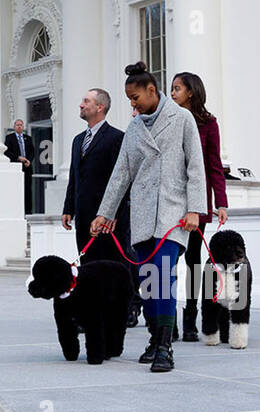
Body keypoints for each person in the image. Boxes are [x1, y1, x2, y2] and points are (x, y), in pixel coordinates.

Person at [90, 62, 206, 373]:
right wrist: (105, 213)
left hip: (173, 212)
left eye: (135, 97)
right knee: (148, 281)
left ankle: (165, 347)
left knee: (164, 276)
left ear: (151, 90)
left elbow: (196, 166)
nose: (132, 103)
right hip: (141, 213)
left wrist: (195, 208)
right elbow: (121, 174)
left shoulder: (182, 119)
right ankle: (155, 338)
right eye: (128, 98)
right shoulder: (134, 128)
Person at [61, 89, 139, 327]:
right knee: (88, 267)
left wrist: (113, 212)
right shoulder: (77, 141)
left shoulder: (117, 138)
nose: (81, 105)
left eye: (86, 101)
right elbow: (75, 177)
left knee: (115, 265)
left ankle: (127, 309)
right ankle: (90, 313)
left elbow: (123, 178)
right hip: (84, 216)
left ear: (100, 107)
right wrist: (68, 208)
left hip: (109, 218)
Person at [170, 72, 228, 342]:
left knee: (193, 261)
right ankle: (166, 320)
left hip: (196, 201)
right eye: (171, 89)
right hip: (169, 199)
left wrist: (221, 203)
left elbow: (214, 165)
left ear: (191, 92)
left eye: (177, 88)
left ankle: (190, 319)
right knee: (165, 260)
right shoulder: (166, 119)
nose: (172, 93)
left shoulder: (208, 123)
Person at [3, 119, 35, 214]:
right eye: (17, 125)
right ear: (14, 127)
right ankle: (16, 210)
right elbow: (7, 152)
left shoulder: (28, 138)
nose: (19, 126)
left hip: (27, 167)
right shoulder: (9, 138)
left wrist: (28, 160)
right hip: (16, 167)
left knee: (27, 190)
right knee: (17, 189)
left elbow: (32, 151)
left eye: (21, 125)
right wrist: (18, 158)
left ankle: (28, 210)